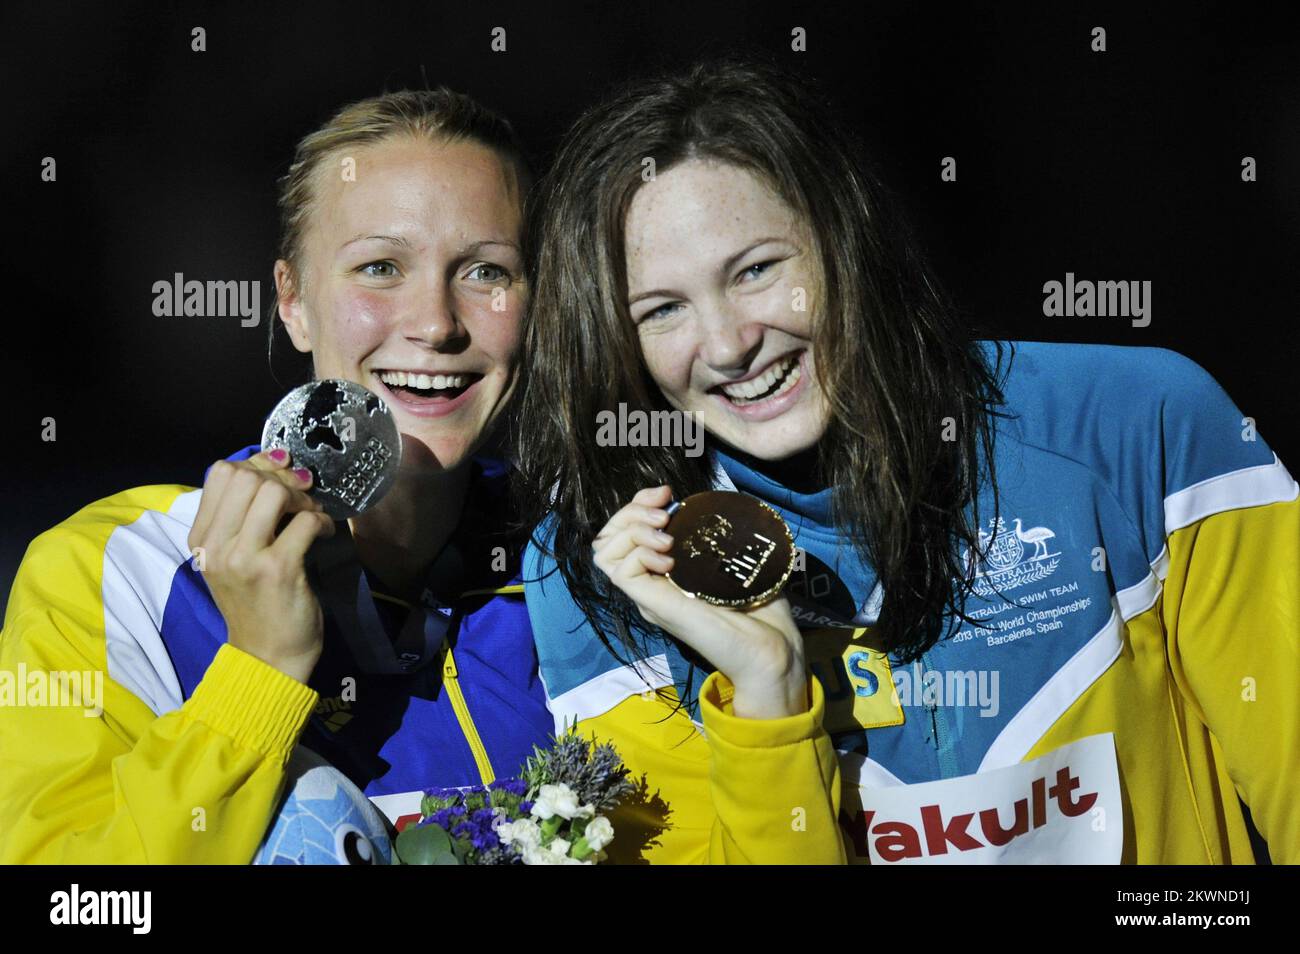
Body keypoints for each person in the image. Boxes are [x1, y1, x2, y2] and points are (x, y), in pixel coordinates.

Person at [515, 58, 1300, 864]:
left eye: (756, 271)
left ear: (844, 239)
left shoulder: (1135, 423)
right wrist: (768, 691)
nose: (727, 345)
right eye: (664, 310)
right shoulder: (606, 572)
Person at [0, 89, 554, 863]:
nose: (435, 323)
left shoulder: (586, 568)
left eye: (486, 270)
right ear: (292, 303)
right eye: (381, 266)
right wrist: (257, 674)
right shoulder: (112, 574)